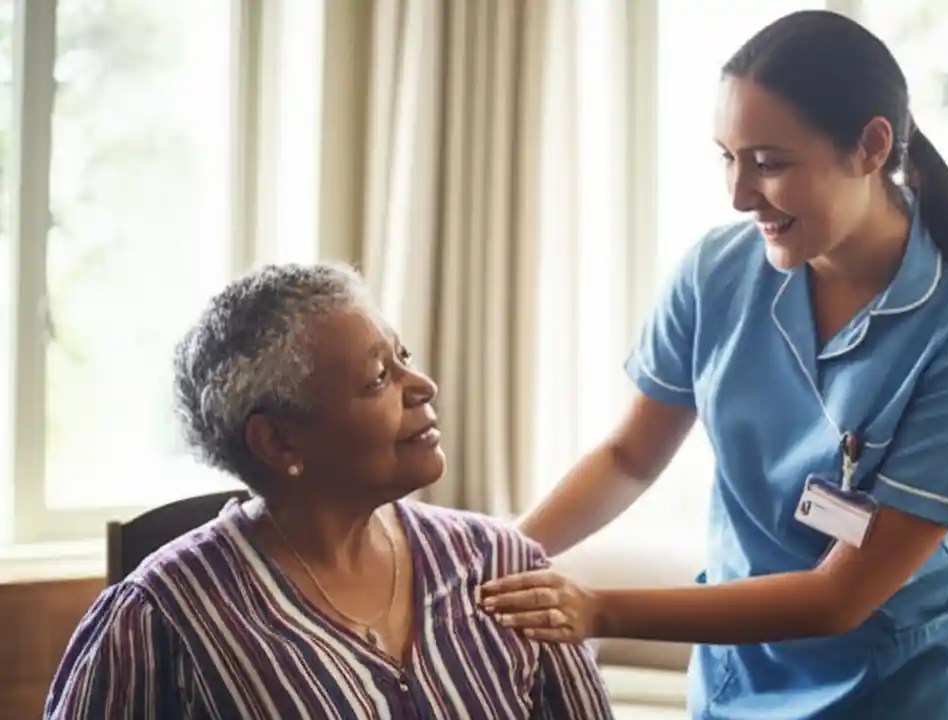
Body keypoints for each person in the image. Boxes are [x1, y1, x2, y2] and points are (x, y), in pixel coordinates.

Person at [480, 10, 948, 719]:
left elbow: (841, 596)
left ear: (869, 146)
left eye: (768, 163)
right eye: (727, 157)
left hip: (902, 691)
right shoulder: (718, 272)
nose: (739, 195)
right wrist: (496, 555)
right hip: (740, 684)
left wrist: (598, 611)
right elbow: (628, 457)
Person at [45, 264, 613, 719]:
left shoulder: (502, 565)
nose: (423, 387)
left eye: (403, 359)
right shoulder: (160, 616)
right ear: (278, 442)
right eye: (377, 379)